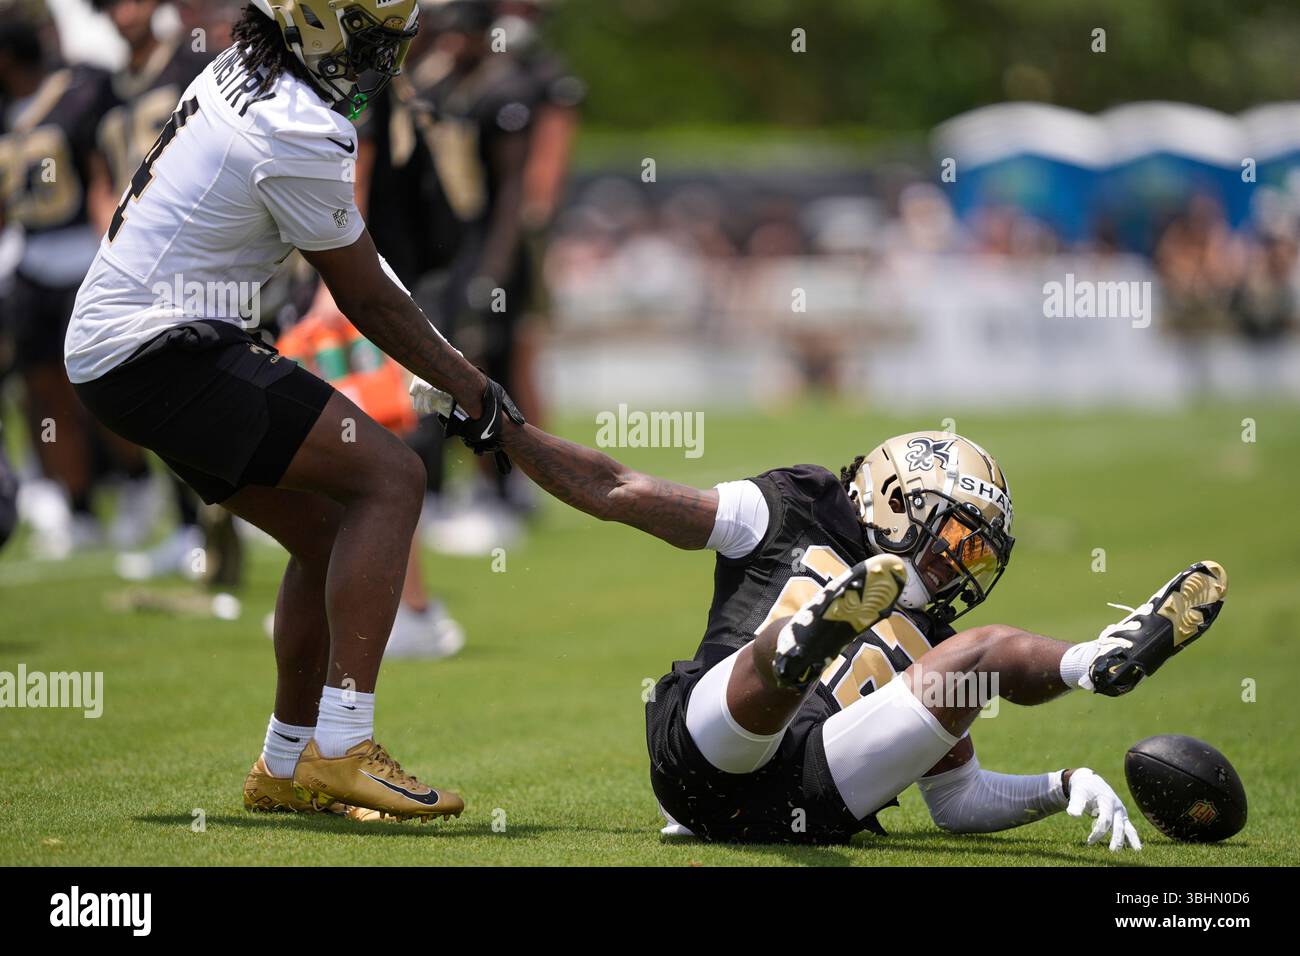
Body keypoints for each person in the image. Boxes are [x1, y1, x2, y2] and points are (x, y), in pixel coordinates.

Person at [413, 388, 1230, 847]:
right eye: (953, 543)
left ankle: (1101, 661)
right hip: (707, 747)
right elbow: (622, 489)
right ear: (897, 499)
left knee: (978, 651)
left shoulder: (936, 638)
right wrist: (503, 430)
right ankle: (800, 648)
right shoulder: (790, 507)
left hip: (816, 792)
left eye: (974, 559)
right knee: (772, 666)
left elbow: (959, 801)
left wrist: (1062, 787)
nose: (957, 568)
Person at [65, 0, 512, 821]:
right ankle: (343, 749)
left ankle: (283, 764)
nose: (384, 60)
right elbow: (368, 295)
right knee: (392, 478)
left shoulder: (245, 68)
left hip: (131, 347)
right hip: (163, 347)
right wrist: (471, 385)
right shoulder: (300, 123)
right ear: (323, 28)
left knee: (322, 529)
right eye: (375, 40)